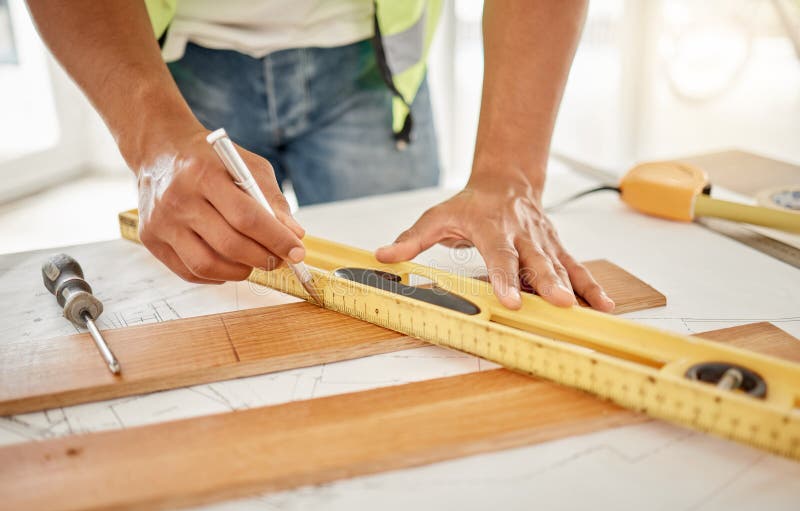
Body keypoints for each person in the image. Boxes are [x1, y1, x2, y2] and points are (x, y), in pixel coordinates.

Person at [27, 0, 615, 312]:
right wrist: (151, 134)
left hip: (374, 66)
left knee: (397, 268)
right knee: (210, 280)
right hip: (175, 64)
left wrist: (510, 172)